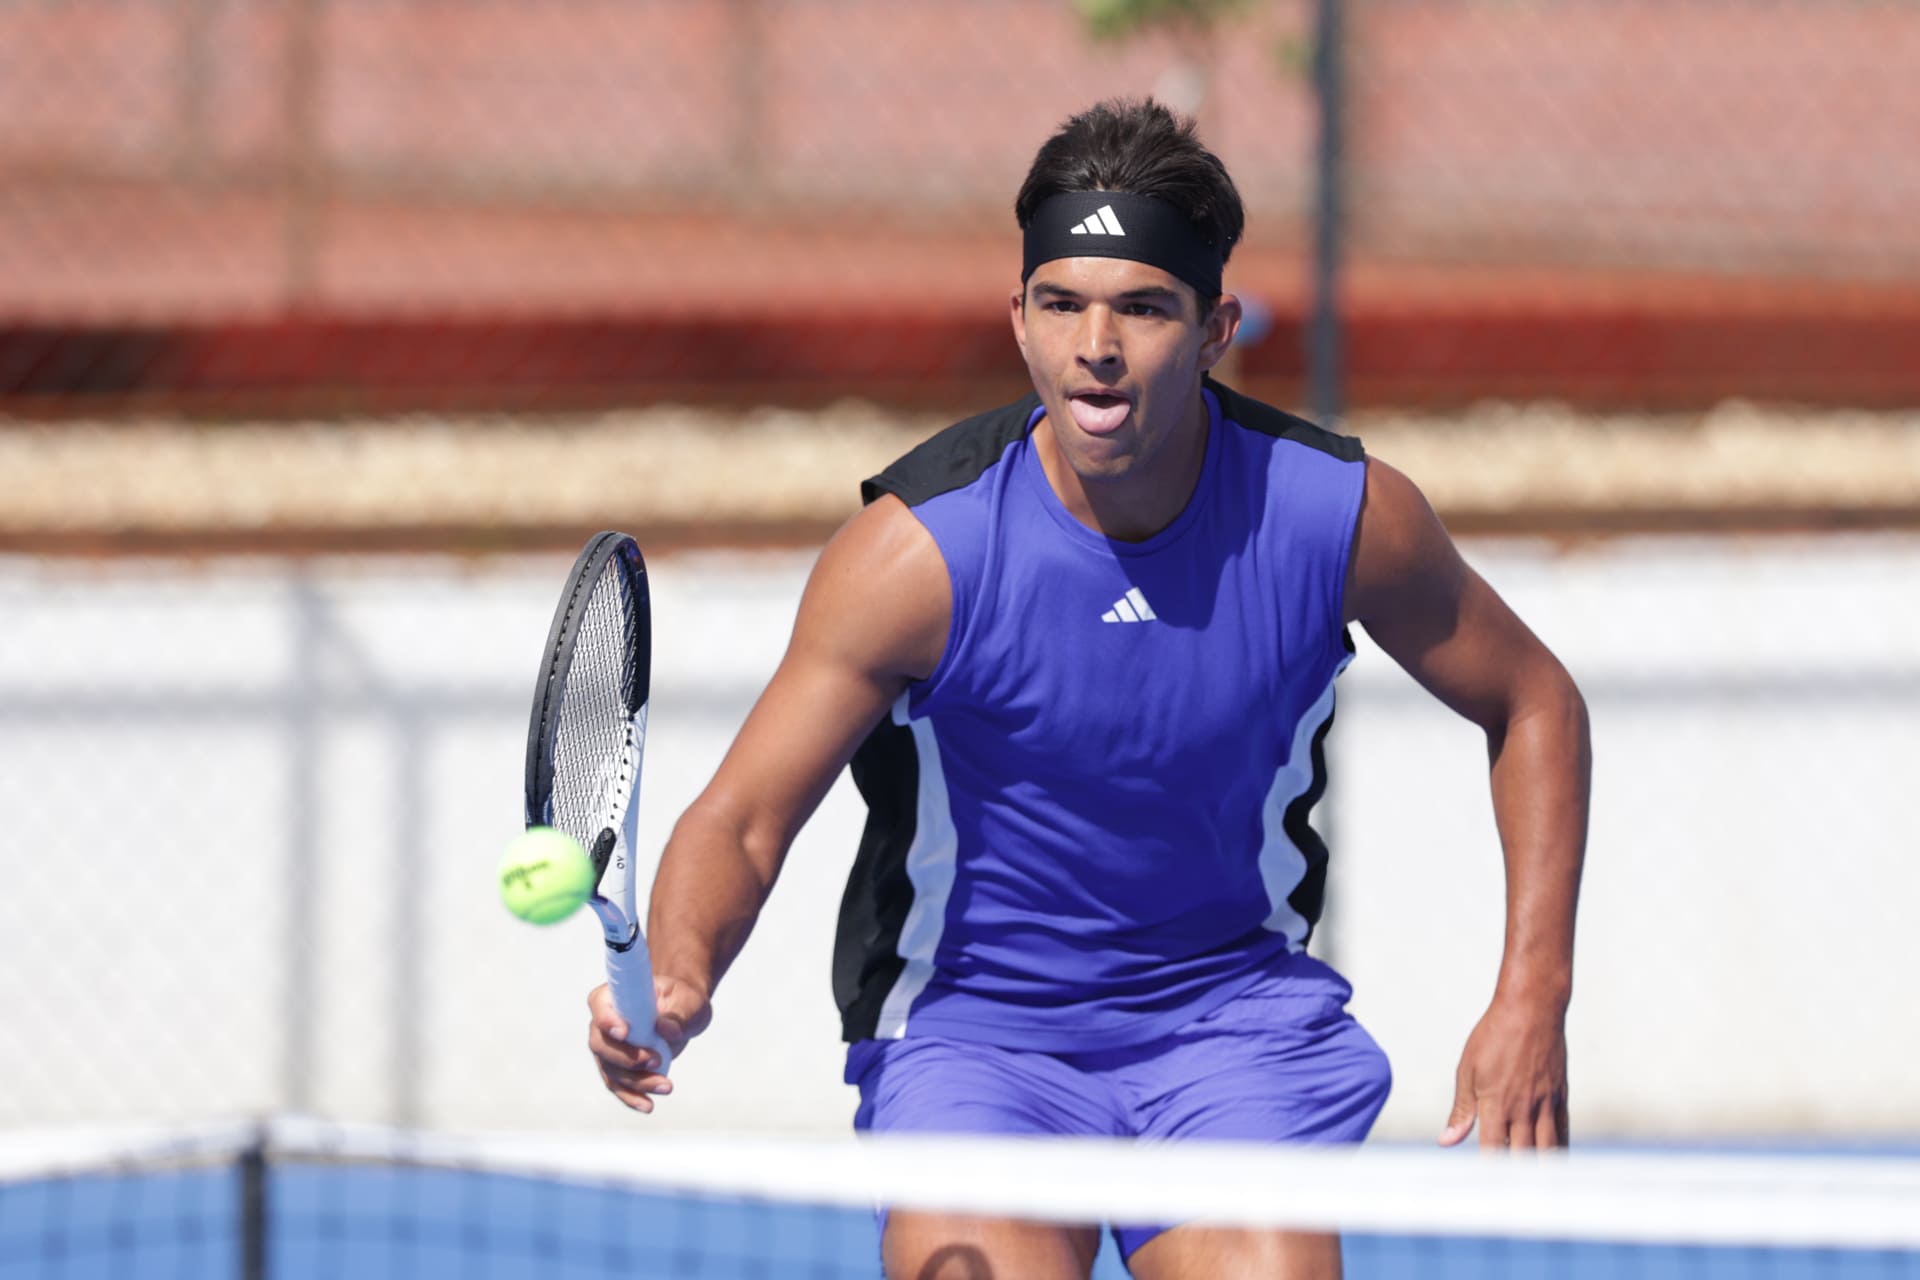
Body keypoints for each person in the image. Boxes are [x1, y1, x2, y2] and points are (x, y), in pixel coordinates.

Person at [586, 97, 1589, 1280]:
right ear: (1018, 318)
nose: (1095, 346)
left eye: (1143, 308)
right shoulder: (919, 554)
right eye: (1060, 304)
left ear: (1216, 329)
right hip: (978, 1040)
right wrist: (682, 970)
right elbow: (744, 817)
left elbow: (1534, 702)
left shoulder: (1336, 517)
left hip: (1229, 1028)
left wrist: (1532, 994)